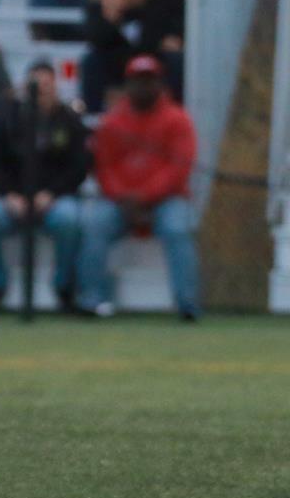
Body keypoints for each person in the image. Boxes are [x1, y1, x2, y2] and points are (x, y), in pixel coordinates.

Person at [77, 56, 199, 319]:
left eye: (149, 81)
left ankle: (187, 303)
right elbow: (104, 167)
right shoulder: (112, 121)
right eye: (137, 81)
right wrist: (123, 197)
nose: (143, 87)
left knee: (177, 228)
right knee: (95, 224)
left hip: (167, 199)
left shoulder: (177, 119)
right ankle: (92, 299)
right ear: (128, 84)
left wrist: (143, 196)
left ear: (159, 83)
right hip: (120, 201)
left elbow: (179, 169)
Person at [0, 61, 86, 311]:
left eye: (47, 84)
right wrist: (9, 195)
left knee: (69, 219)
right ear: (25, 87)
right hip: (12, 197)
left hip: (54, 198)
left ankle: (63, 286)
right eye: (37, 85)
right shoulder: (6, 119)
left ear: (55, 86)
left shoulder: (68, 120)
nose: (42, 90)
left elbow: (78, 167)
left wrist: (51, 194)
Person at [81, 0, 183, 110]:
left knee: (176, 61)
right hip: (117, 59)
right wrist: (110, 19)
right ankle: (93, 122)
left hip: (152, 55)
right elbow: (95, 39)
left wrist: (174, 36)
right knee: (90, 63)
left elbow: (164, 24)